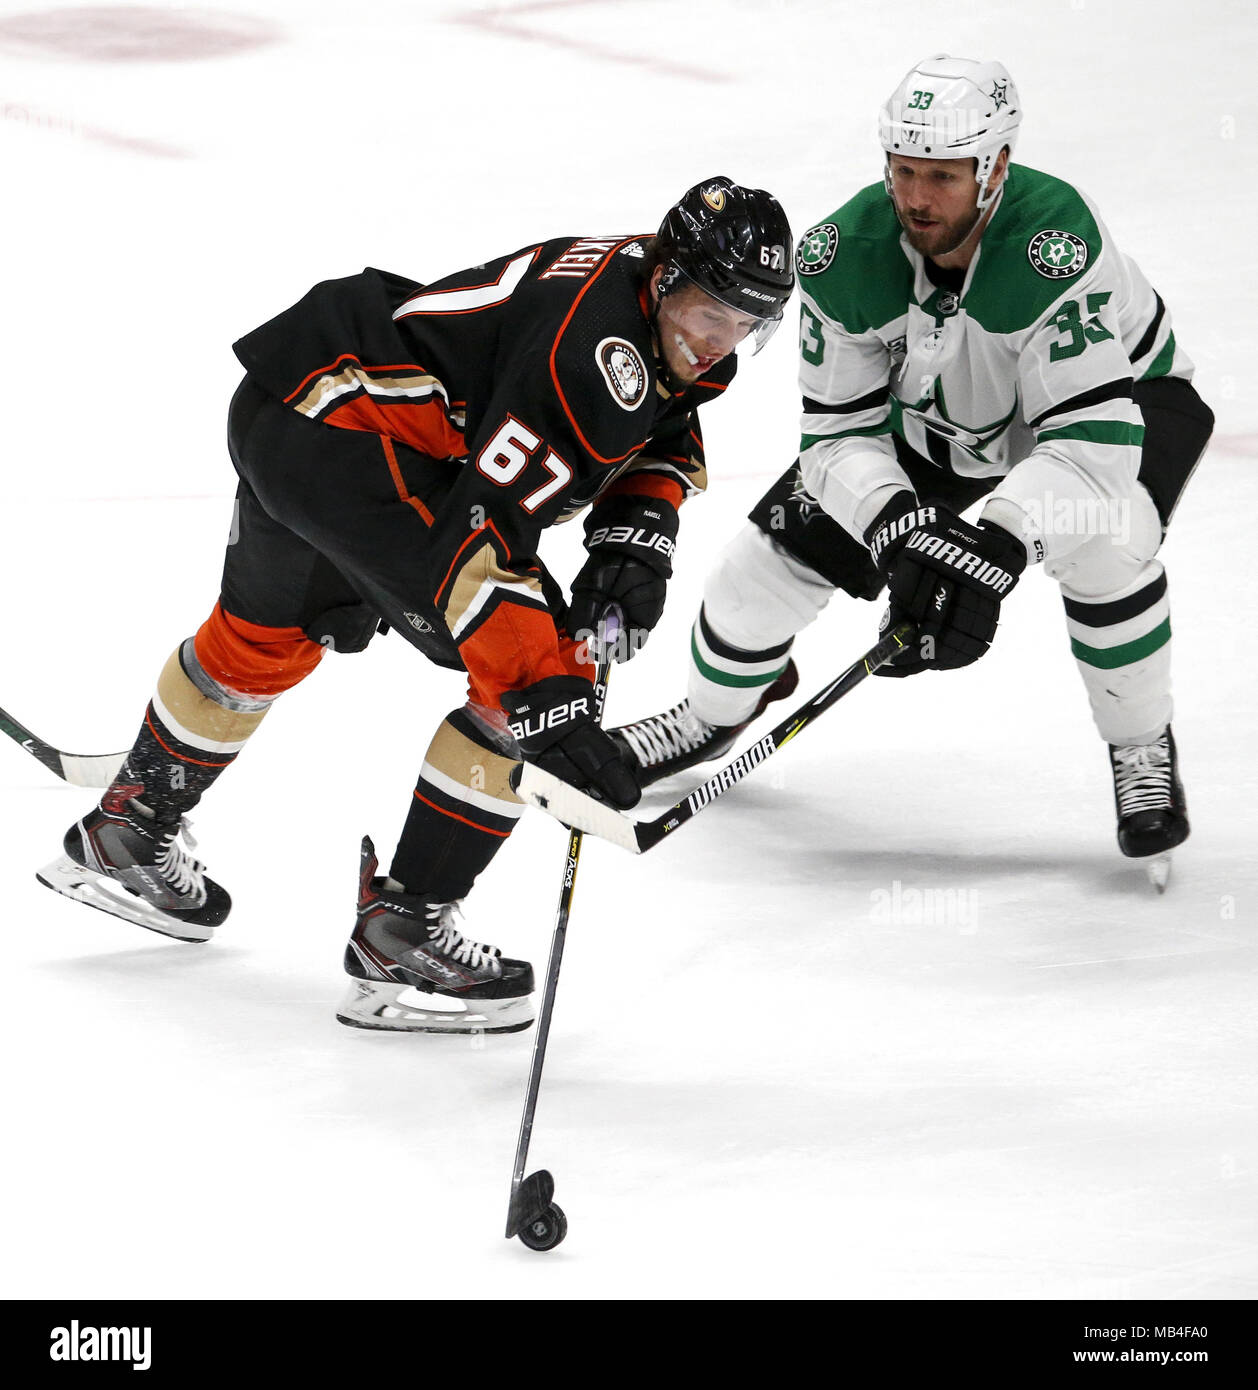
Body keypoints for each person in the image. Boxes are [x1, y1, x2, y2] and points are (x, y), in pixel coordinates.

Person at [37, 176, 795, 1031]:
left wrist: (639, 534)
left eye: (746, 324)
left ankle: (130, 828)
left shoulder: (649, 293)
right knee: (539, 672)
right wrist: (549, 709)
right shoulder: (592, 355)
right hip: (357, 446)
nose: (719, 343)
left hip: (293, 401)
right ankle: (407, 929)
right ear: (665, 280)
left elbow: (662, 417)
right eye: (710, 313)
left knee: (267, 631)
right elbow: (478, 539)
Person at [610, 56, 1213, 882]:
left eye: (942, 175)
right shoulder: (842, 255)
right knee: (760, 573)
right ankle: (709, 715)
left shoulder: (1054, 245)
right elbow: (836, 438)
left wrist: (996, 543)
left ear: (995, 166)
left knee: (1108, 546)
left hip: (1116, 411)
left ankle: (1139, 741)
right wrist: (898, 528)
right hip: (942, 422)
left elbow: (1089, 448)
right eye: (903, 171)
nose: (918, 198)